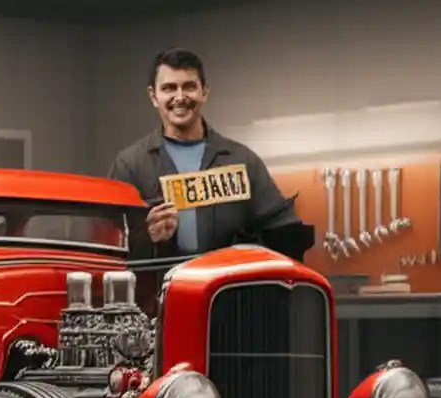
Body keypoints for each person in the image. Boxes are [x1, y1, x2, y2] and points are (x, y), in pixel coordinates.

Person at [108, 47, 314, 262]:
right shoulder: (130, 165)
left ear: (204, 92)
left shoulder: (243, 162)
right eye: (169, 88)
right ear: (153, 96)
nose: (180, 97)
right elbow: (108, 243)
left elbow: (282, 230)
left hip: (228, 281)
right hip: (159, 283)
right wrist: (146, 236)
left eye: (189, 87)